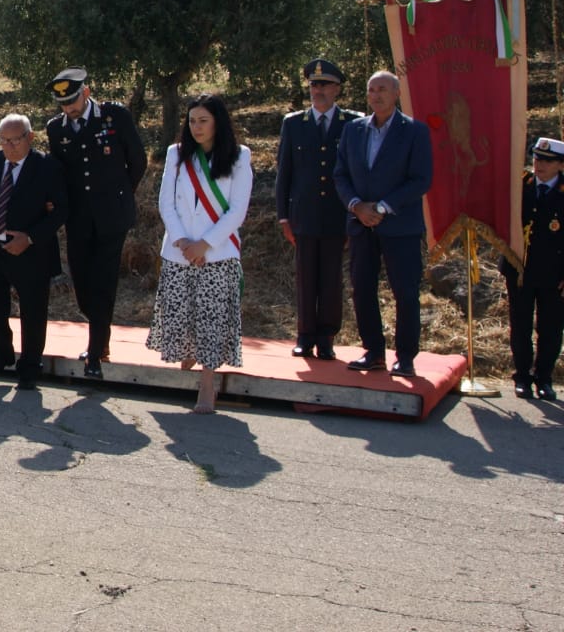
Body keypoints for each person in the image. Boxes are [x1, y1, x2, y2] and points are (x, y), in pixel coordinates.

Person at [146, 94, 253, 414]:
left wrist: (204, 244)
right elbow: (166, 202)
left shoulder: (239, 156)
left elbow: (237, 211)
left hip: (217, 252)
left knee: (211, 319)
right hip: (179, 249)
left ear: (218, 122)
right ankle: (189, 351)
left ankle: (207, 387)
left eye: (203, 120)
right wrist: (183, 241)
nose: (197, 127)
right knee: (179, 312)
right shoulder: (176, 154)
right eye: (192, 121)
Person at [44, 66, 148, 378]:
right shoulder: (56, 129)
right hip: (78, 218)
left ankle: (95, 352)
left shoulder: (114, 117)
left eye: (73, 101)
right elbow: (60, 173)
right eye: (63, 104)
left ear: (86, 93)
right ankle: (100, 333)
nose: (69, 108)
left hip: (112, 216)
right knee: (82, 284)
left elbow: (138, 160)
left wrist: (121, 194)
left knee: (104, 281)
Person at [333, 70, 434, 378]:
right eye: (372, 90)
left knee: (405, 292)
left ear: (397, 94)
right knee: (362, 289)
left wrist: (381, 207)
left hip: (400, 226)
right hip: (360, 224)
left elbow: (420, 179)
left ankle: (405, 357)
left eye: (382, 89)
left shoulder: (415, 131)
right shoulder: (353, 130)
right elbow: (341, 174)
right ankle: (374, 352)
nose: (376, 95)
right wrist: (356, 206)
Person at [0, 113, 66, 390]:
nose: (9, 147)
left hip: (31, 252)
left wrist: (30, 237)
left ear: (30, 137)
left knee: (33, 313)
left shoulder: (47, 166)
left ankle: (30, 367)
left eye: (15, 141)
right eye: (4, 141)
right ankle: (1, 353)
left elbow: (61, 210)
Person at [274, 58, 360, 360]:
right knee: (306, 278)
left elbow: (356, 173)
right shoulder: (294, 123)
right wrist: (283, 216)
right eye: (313, 85)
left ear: (337, 89)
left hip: (338, 214)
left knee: (331, 279)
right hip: (304, 215)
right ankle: (305, 335)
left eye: (324, 85)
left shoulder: (352, 123)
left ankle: (326, 338)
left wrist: (354, 215)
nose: (318, 90)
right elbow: (285, 172)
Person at [498, 137, 564, 400]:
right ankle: (523, 377)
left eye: (547, 160)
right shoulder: (520, 185)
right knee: (520, 325)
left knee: (551, 328)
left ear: (560, 165)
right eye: (537, 158)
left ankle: (544, 379)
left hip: (555, 274)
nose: (539, 165)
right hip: (520, 268)